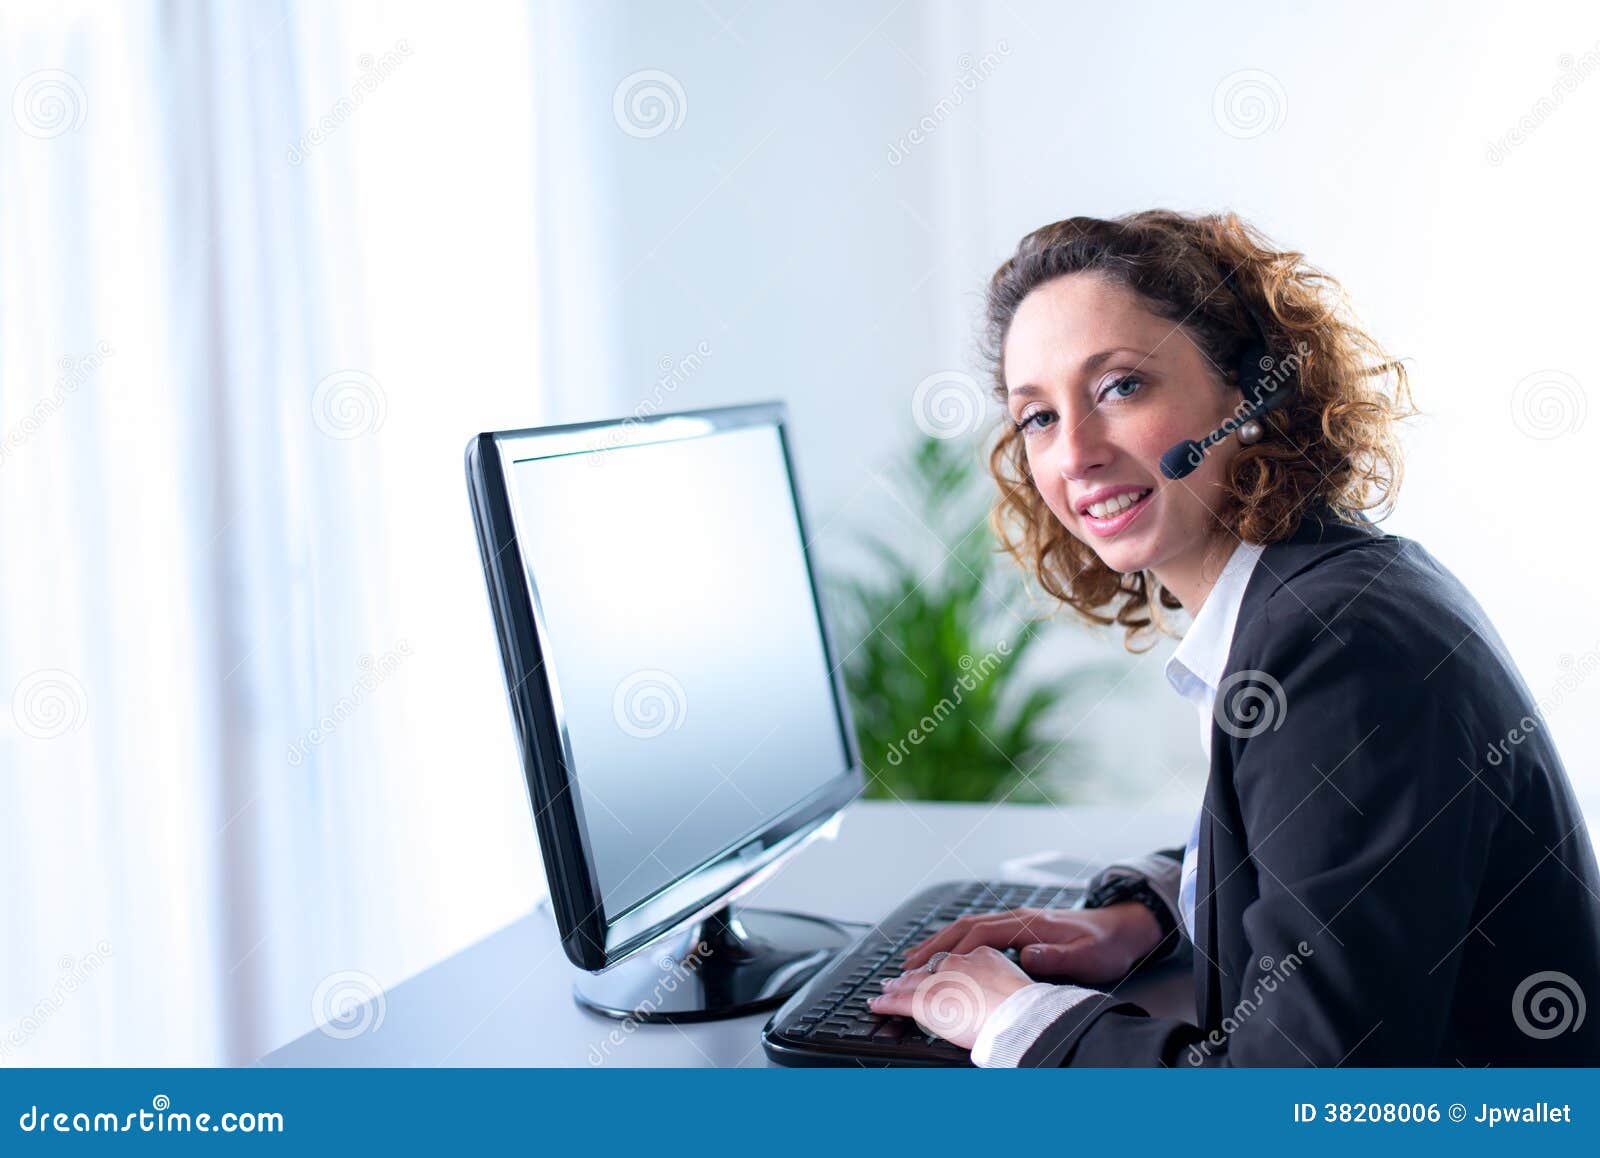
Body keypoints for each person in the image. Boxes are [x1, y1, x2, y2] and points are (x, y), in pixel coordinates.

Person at [867, 209, 1600, 1066]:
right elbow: (1319, 851)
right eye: (1038, 417)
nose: (1075, 455)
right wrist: (1147, 911)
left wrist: (1013, 1020)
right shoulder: (1325, 584)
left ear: (1252, 392)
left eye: (1119, 388)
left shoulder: (1332, 645)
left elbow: (1293, 1103)